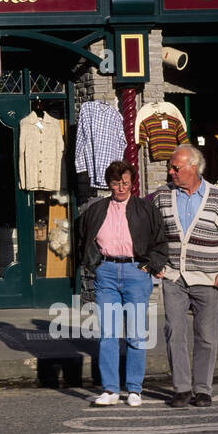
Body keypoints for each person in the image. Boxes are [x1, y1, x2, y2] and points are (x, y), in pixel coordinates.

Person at [151, 144, 218, 407]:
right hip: (173, 278)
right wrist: (153, 264)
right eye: (171, 167)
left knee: (206, 335)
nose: (171, 172)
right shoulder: (162, 197)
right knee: (174, 332)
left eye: (175, 167)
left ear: (194, 168)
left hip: (208, 278)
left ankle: (203, 389)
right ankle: (181, 388)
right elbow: (151, 237)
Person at [74, 160, 169, 407]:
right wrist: (91, 263)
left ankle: (135, 389)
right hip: (106, 272)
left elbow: (161, 239)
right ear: (109, 184)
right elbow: (80, 234)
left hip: (136, 272)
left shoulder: (145, 209)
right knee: (108, 334)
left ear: (132, 182)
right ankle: (110, 390)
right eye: (116, 184)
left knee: (136, 334)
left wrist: (151, 266)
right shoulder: (97, 210)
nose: (121, 188)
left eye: (125, 183)